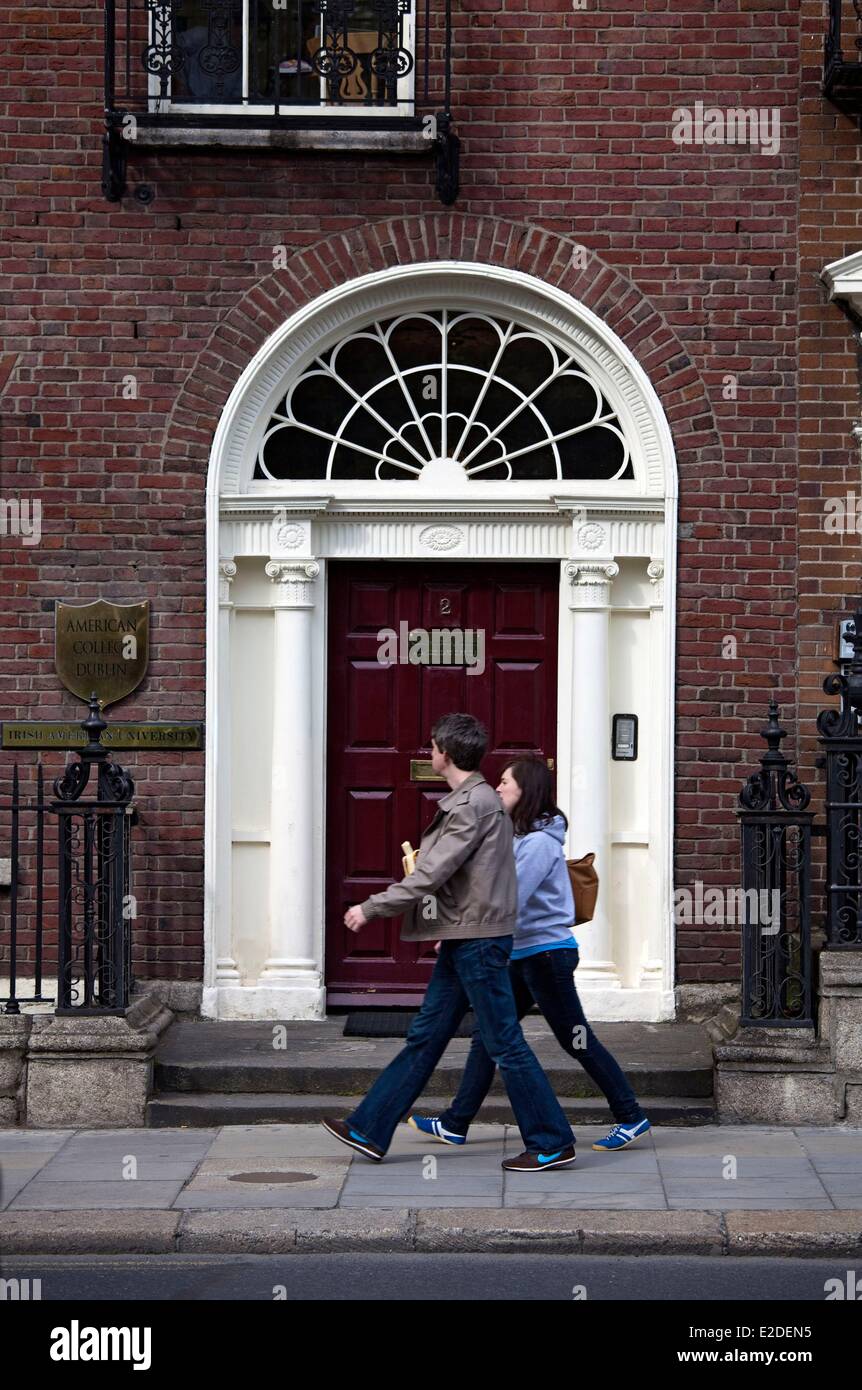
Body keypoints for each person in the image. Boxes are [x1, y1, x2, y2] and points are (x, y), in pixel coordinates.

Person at [321, 713, 577, 1171]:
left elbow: (432, 873)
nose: (428, 753)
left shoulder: (471, 806)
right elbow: (471, 880)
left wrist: (371, 908)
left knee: (503, 1041)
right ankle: (370, 1128)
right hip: (465, 937)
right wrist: (447, 930)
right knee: (427, 1035)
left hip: (478, 941)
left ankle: (551, 1139)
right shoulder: (475, 801)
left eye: (432, 747)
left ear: (444, 751)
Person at [410, 755, 651, 1152]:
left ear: (526, 789)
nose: (499, 787)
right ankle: (455, 1122)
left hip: (545, 956)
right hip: (521, 955)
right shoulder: (518, 836)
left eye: (506, 781)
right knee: (489, 1035)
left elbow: (511, 898)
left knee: (575, 1039)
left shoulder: (539, 843)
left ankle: (631, 1116)